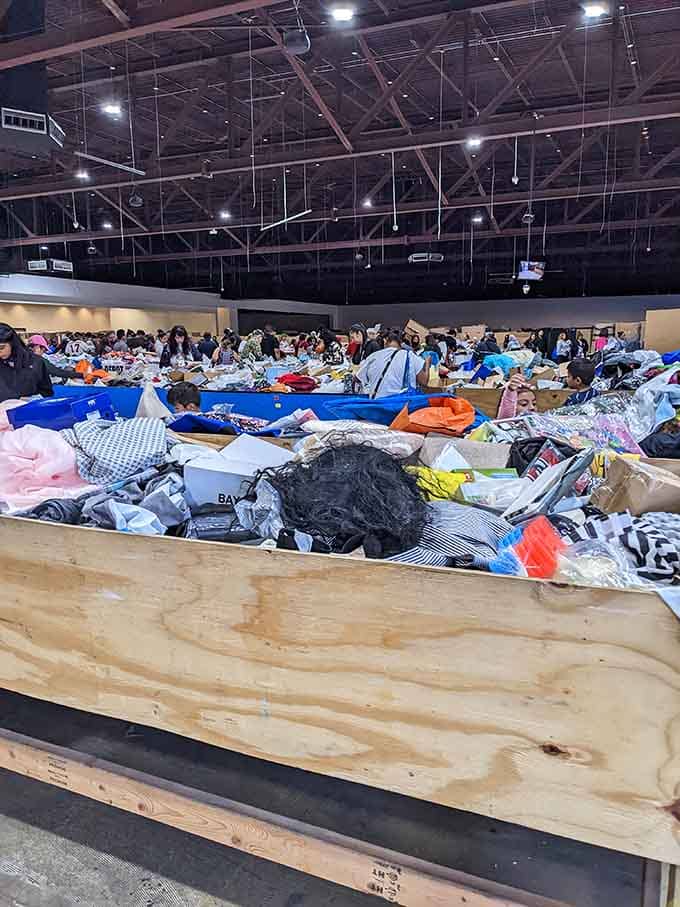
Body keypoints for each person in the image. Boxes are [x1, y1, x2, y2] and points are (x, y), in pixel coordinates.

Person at [356, 328, 431, 399]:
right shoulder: (410, 356)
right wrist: (427, 363)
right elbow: (424, 381)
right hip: (402, 407)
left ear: (385, 341)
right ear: (400, 343)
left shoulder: (373, 357)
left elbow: (358, 378)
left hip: (378, 407)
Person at [0, 323, 53, 403]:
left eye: (1, 347)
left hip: (27, 410)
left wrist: (35, 398)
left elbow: (47, 391)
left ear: (13, 344)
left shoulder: (36, 362)